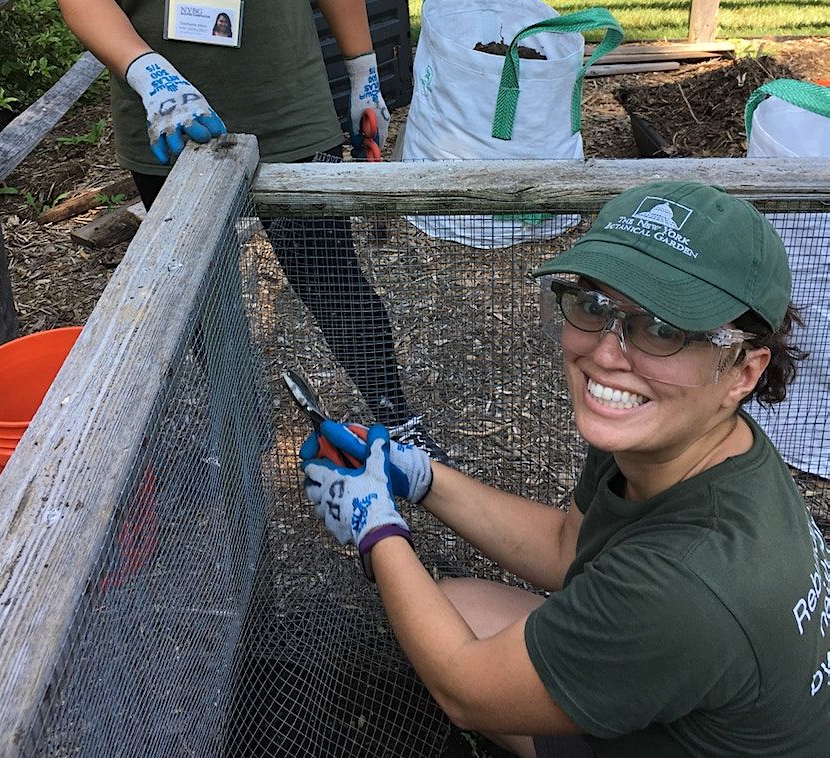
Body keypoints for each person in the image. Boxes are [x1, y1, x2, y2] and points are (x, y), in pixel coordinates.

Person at [299, 181, 829, 756]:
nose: (605, 354)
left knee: (448, 639)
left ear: (744, 371)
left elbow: (464, 690)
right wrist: (418, 476)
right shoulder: (685, 436)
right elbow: (565, 548)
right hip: (681, 704)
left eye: (664, 331)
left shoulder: (682, 586)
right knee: (452, 606)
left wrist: (373, 524)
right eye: (594, 305)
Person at [57, 0, 446, 455]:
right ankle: (242, 420)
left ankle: (396, 420)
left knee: (334, 283)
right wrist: (147, 72)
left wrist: (364, 72)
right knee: (202, 296)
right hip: (169, 122)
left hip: (289, 109)